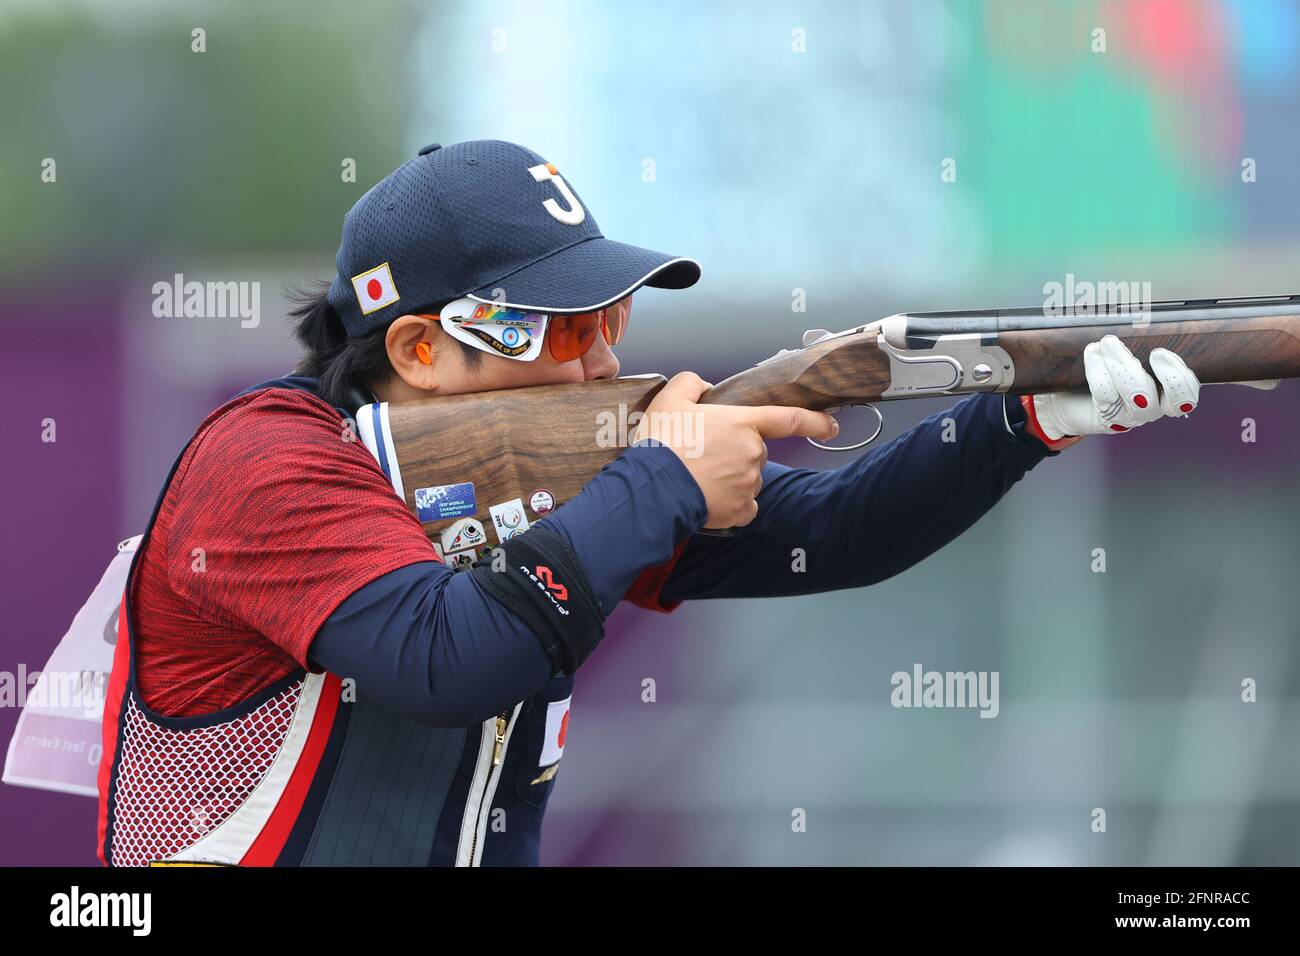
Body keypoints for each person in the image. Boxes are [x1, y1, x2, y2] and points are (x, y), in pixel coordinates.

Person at [96, 140, 1204, 867]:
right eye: (566, 329)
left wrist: (1025, 416)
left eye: (609, 324)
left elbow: (835, 535)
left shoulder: (572, 481)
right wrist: (663, 476)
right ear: (423, 348)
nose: (599, 364)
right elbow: (446, 658)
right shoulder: (262, 465)